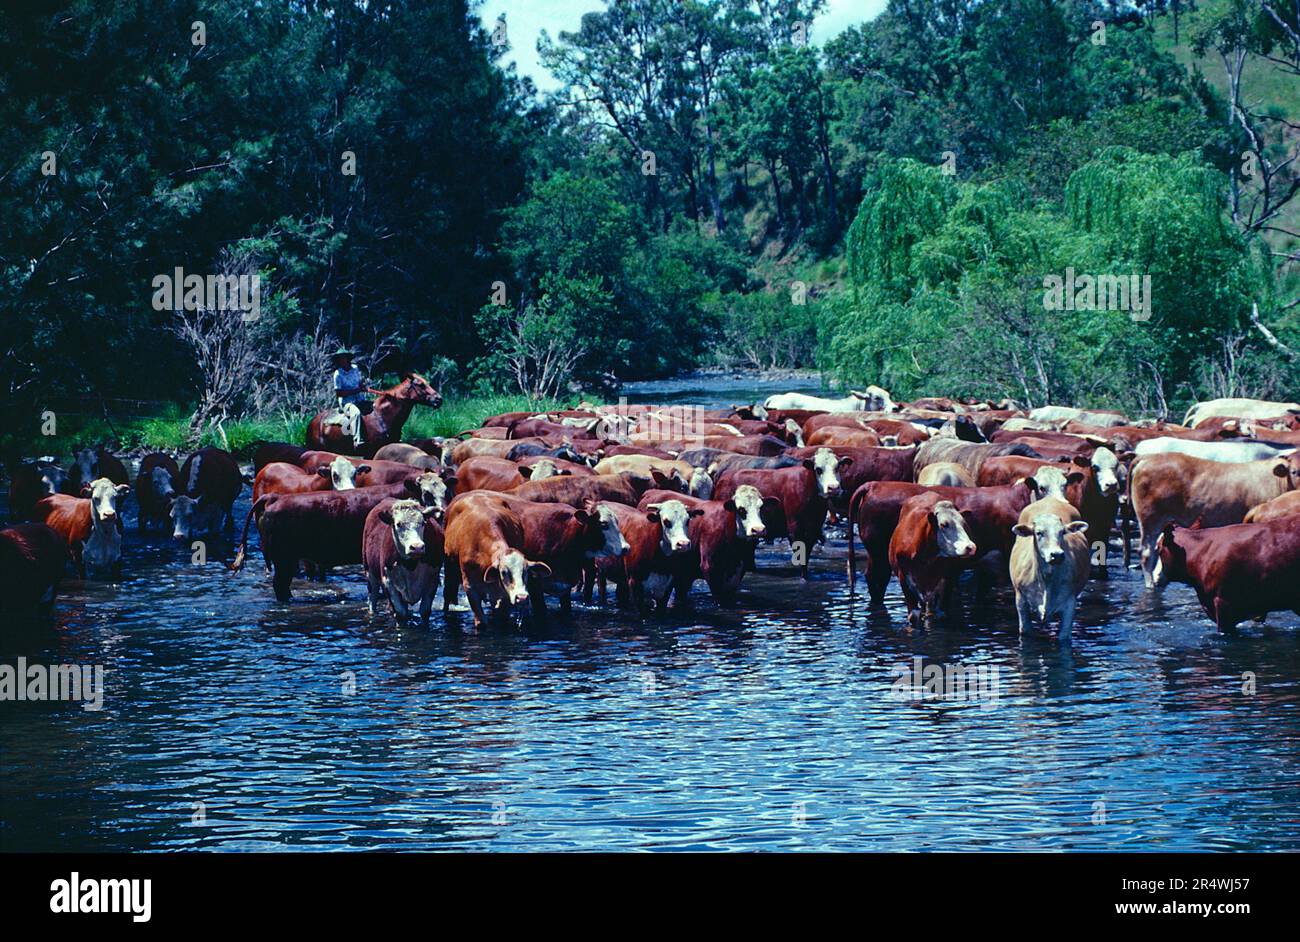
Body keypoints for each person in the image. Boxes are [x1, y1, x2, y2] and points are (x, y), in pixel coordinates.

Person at [330, 348, 372, 442]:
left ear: (347, 358)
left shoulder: (355, 368)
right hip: (347, 403)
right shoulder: (338, 374)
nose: (342, 360)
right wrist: (356, 390)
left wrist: (362, 385)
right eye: (340, 359)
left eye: (343, 358)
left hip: (360, 399)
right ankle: (357, 440)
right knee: (356, 413)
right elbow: (338, 393)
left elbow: (359, 382)